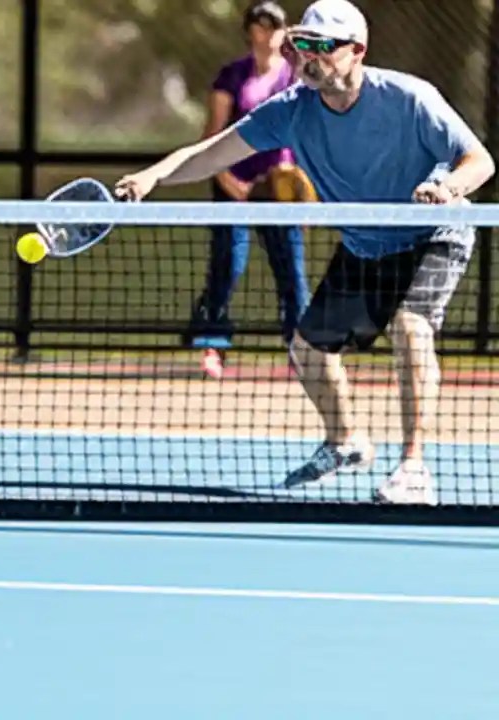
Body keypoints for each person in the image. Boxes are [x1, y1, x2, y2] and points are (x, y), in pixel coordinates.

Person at [114, 0, 494, 506]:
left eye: (322, 46)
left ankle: (413, 468)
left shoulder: (410, 99)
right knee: (308, 348)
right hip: (365, 242)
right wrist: (153, 176)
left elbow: (479, 160)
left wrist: (447, 189)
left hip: (434, 232)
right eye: (302, 45)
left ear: (357, 51)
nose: (308, 56)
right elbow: (211, 152)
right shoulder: (290, 110)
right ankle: (346, 440)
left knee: (410, 327)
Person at [185, 1, 313, 381]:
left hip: (280, 195)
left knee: (292, 274)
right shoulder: (232, 76)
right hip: (235, 190)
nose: (266, 33)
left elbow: (308, 133)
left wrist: (301, 189)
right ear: (249, 32)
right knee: (227, 267)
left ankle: (300, 351)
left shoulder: (296, 77)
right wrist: (228, 181)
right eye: (259, 26)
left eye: (273, 26)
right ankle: (212, 345)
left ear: (285, 31)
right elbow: (213, 135)